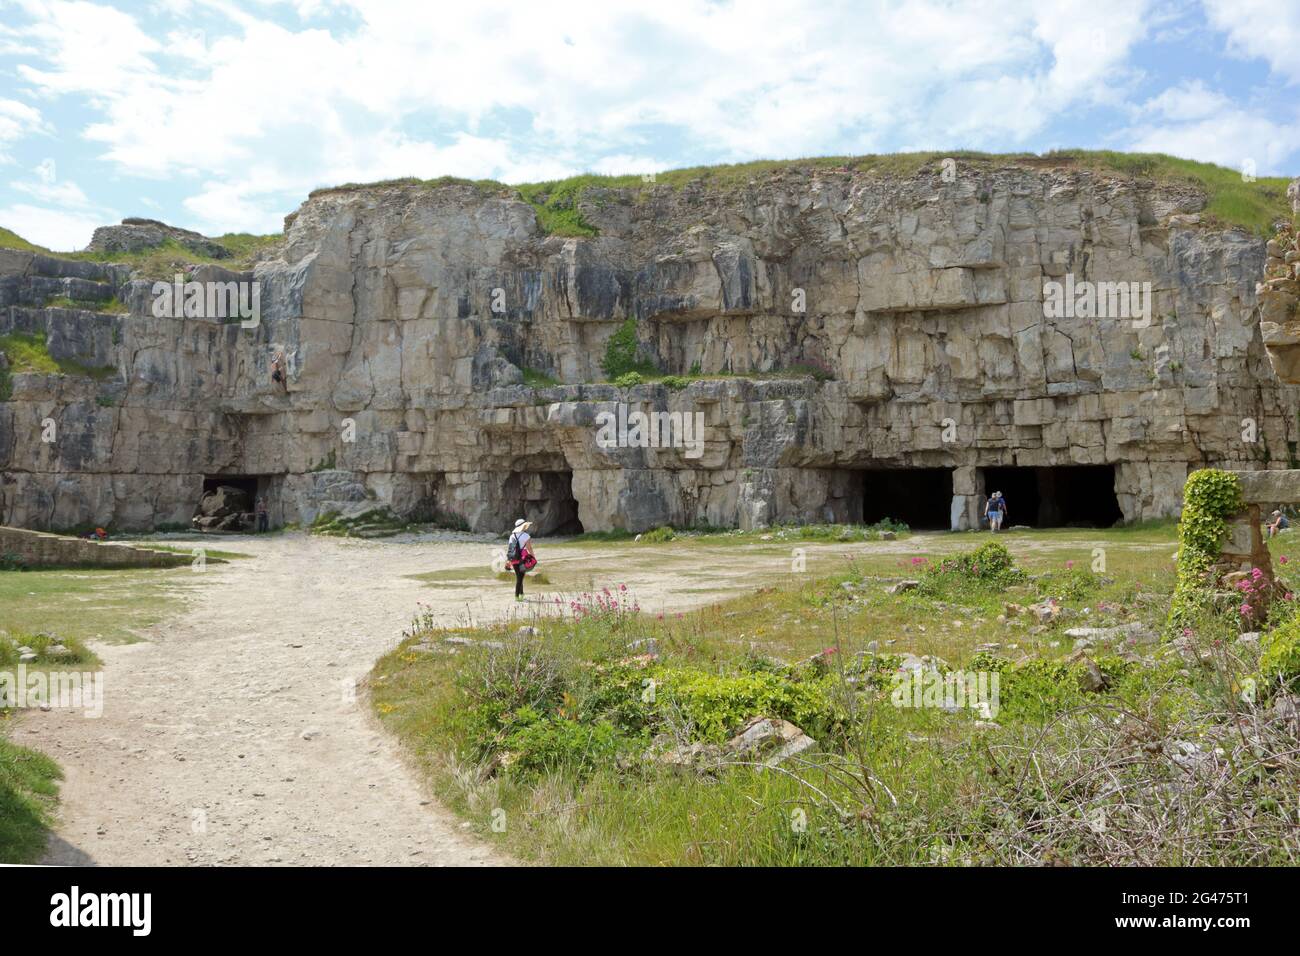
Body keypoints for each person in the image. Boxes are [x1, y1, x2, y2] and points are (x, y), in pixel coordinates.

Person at [505, 519, 535, 602]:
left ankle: (521, 595)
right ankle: (517, 596)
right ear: (523, 526)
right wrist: (533, 556)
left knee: (519, 576)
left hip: (514, 558)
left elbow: (510, 548)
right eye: (525, 525)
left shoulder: (512, 536)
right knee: (520, 578)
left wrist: (508, 560)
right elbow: (529, 548)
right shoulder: (526, 535)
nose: (526, 527)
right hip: (523, 558)